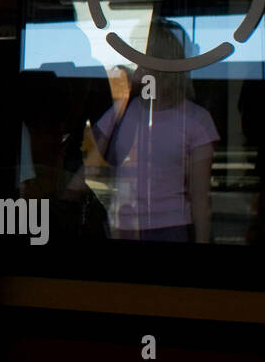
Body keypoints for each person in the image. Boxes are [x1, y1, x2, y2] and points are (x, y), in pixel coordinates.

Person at [91, 18, 217, 243]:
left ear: (161, 63)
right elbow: (90, 169)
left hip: (171, 229)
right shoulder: (121, 111)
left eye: (139, 55)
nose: (132, 62)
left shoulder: (196, 120)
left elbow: (200, 199)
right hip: (122, 227)